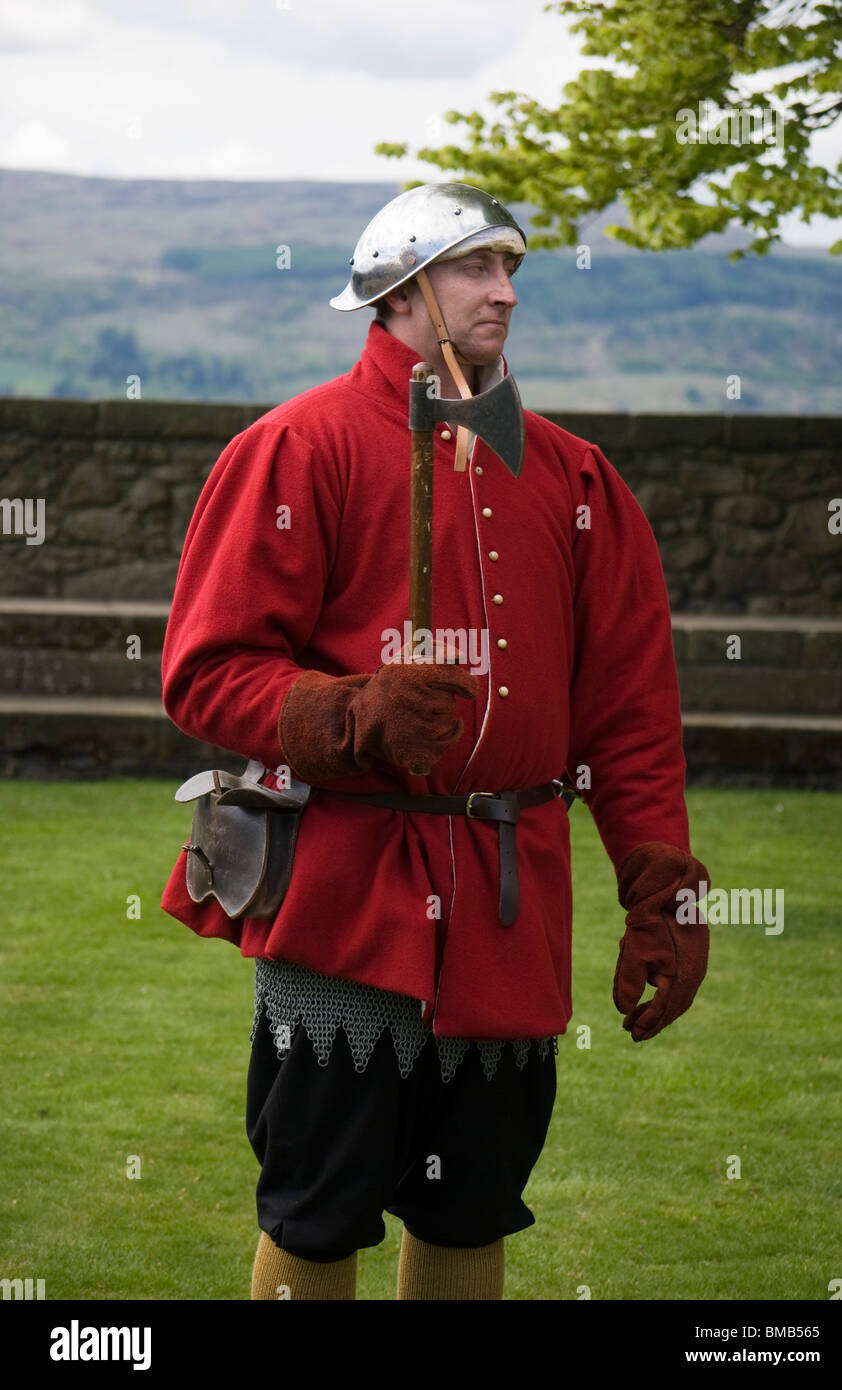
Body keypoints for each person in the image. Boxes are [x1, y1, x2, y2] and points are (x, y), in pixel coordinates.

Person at [160, 181, 710, 1302]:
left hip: (509, 913)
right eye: (475, 268)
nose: (505, 291)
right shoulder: (295, 448)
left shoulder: (574, 477)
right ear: (403, 290)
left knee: (469, 1206)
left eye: (512, 269)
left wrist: (660, 887)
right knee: (317, 1213)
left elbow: (631, 715)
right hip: (348, 904)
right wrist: (349, 711)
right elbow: (204, 673)